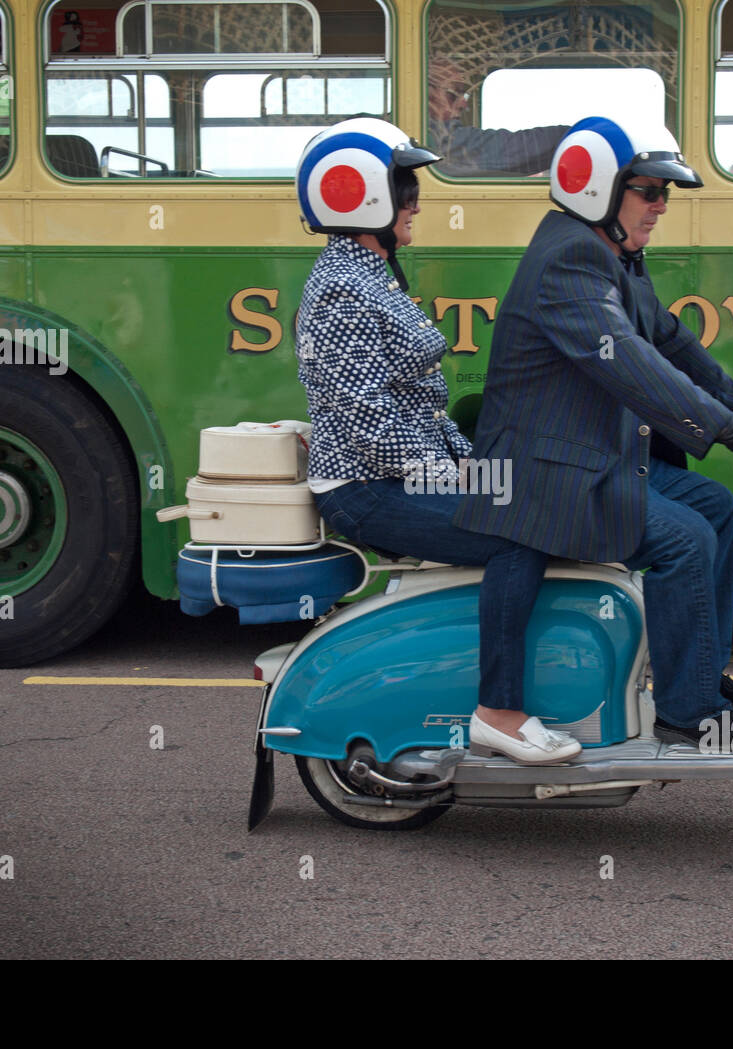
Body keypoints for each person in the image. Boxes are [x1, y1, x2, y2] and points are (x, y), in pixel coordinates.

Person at [454, 115, 733, 745]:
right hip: (548, 473)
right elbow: (633, 367)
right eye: (650, 191)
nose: (661, 207)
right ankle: (688, 713)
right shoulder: (571, 260)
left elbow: (668, 341)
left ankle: (702, 675)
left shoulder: (616, 255)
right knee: (683, 539)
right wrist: (726, 432)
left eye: (665, 194)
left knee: (713, 507)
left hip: (590, 459)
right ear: (597, 190)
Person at [294, 118, 580, 765]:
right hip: (366, 489)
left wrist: (472, 465)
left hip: (401, 472)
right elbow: (368, 422)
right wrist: (454, 478)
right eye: (404, 186)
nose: (417, 200)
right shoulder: (345, 285)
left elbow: (418, 399)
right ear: (362, 195)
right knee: (521, 530)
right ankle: (499, 711)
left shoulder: (368, 271)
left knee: (540, 497)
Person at [427, 58, 569, 178]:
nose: (464, 103)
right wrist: (577, 135)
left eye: (464, 94)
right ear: (428, 94)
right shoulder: (432, 137)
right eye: (454, 93)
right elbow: (503, 150)